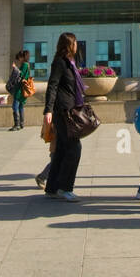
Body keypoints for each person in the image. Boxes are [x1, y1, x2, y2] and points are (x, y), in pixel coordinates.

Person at [43, 32, 84, 202]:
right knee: (74, 148)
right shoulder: (60, 63)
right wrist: (48, 110)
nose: (77, 45)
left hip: (69, 109)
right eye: (74, 43)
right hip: (63, 111)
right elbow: (52, 86)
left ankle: (52, 187)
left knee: (61, 149)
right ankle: (65, 188)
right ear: (68, 45)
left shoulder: (71, 63)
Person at [6, 50, 31, 131]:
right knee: (20, 106)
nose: (19, 59)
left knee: (15, 106)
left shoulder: (24, 65)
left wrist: (15, 68)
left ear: (22, 57)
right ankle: (21, 124)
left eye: (19, 58)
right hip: (23, 89)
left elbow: (20, 75)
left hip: (20, 89)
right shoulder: (27, 65)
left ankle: (17, 124)